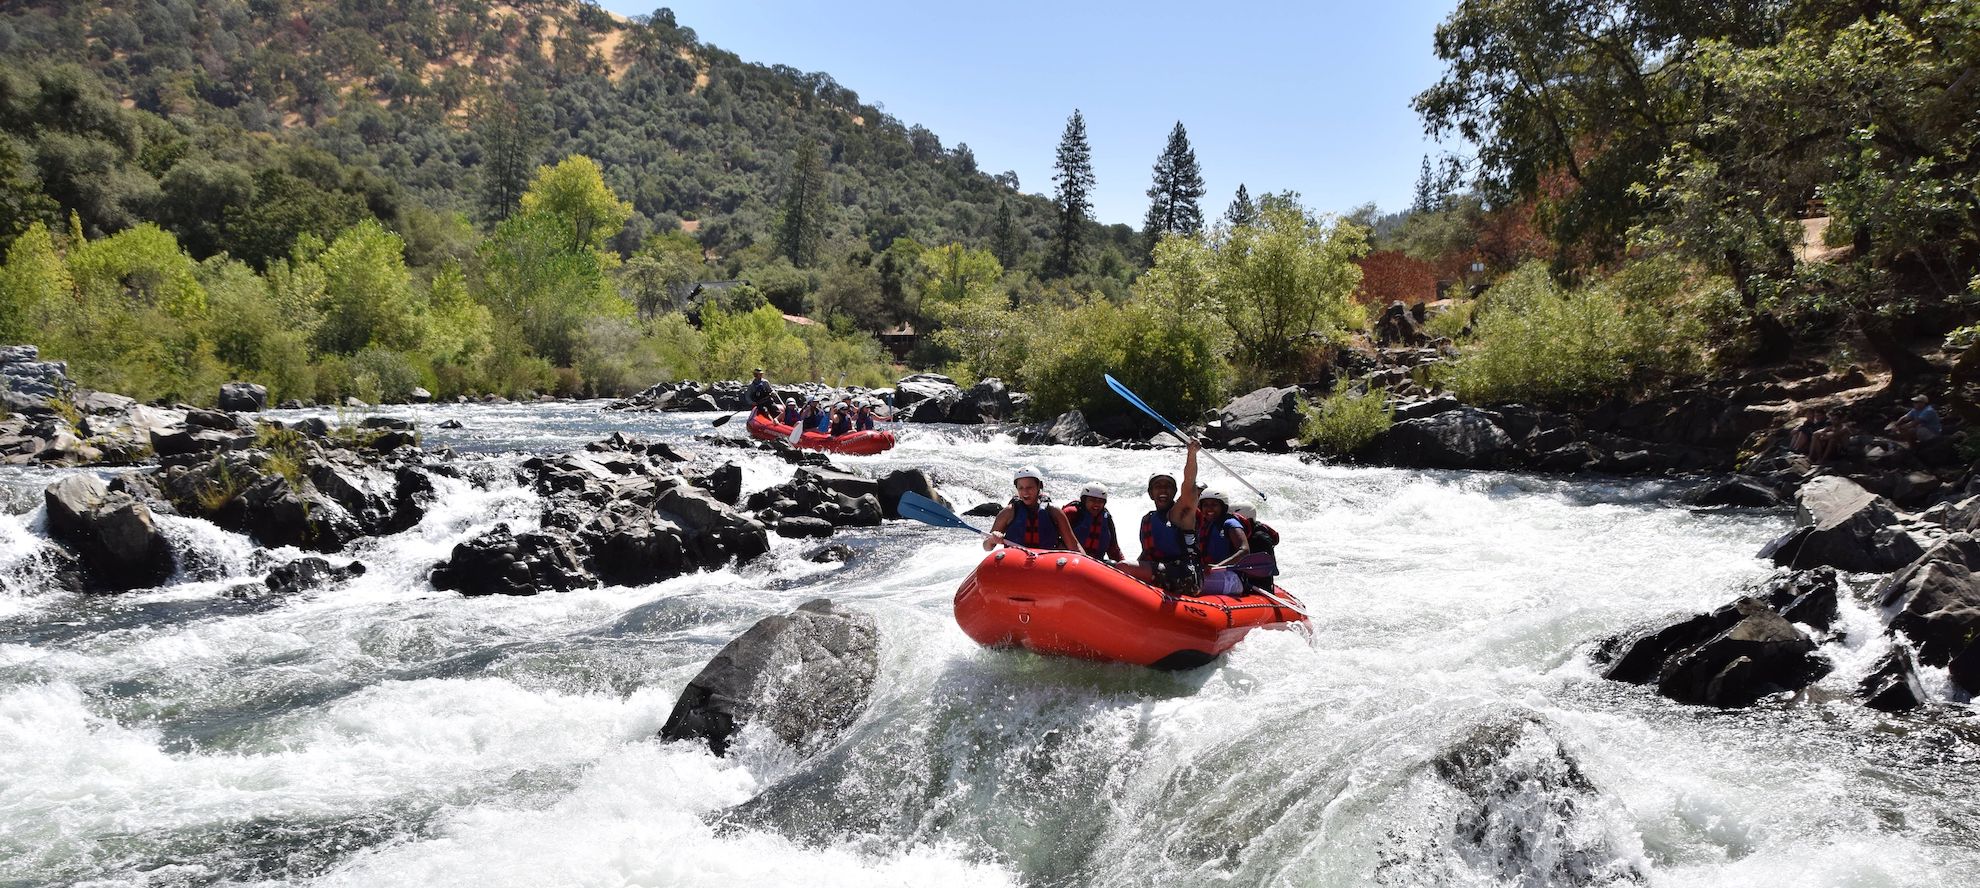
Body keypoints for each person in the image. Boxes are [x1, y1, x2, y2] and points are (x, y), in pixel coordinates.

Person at [1125, 439, 1203, 592]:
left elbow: (1189, 483)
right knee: (1117, 567)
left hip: (1186, 575)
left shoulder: (1181, 513)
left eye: (1168, 487)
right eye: (1158, 486)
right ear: (1150, 493)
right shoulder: (1147, 519)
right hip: (1161, 573)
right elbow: (1147, 553)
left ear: (1174, 492)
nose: (1163, 490)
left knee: (1124, 567)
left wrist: (1191, 454)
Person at [985, 466, 1084, 554]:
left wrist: (1088, 563)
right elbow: (986, 547)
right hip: (1015, 563)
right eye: (1021, 488)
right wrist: (992, 539)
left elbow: (1074, 546)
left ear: (1039, 486)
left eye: (1029, 487)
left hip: (1046, 564)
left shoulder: (1054, 512)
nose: (1025, 492)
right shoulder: (1008, 512)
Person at [1195, 489, 1251, 594]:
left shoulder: (1230, 523)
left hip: (1231, 579)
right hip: (1214, 575)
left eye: (1214, 504)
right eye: (1205, 505)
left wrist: (1218, 566)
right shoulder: (1204, 525)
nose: (1209, 508)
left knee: (1187, 582)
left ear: (1223, 507)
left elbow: (1244, 550)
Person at [1062, 483, 1125, 562]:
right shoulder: (1071, 513)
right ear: (1084, 500)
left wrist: (1124, 566)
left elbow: (1114, 550)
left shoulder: (1107, 519)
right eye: (1092, 500)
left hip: (1095, 564)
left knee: (1114, 563)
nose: (1096, 504)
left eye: (1100, 501)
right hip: (1068, 560)